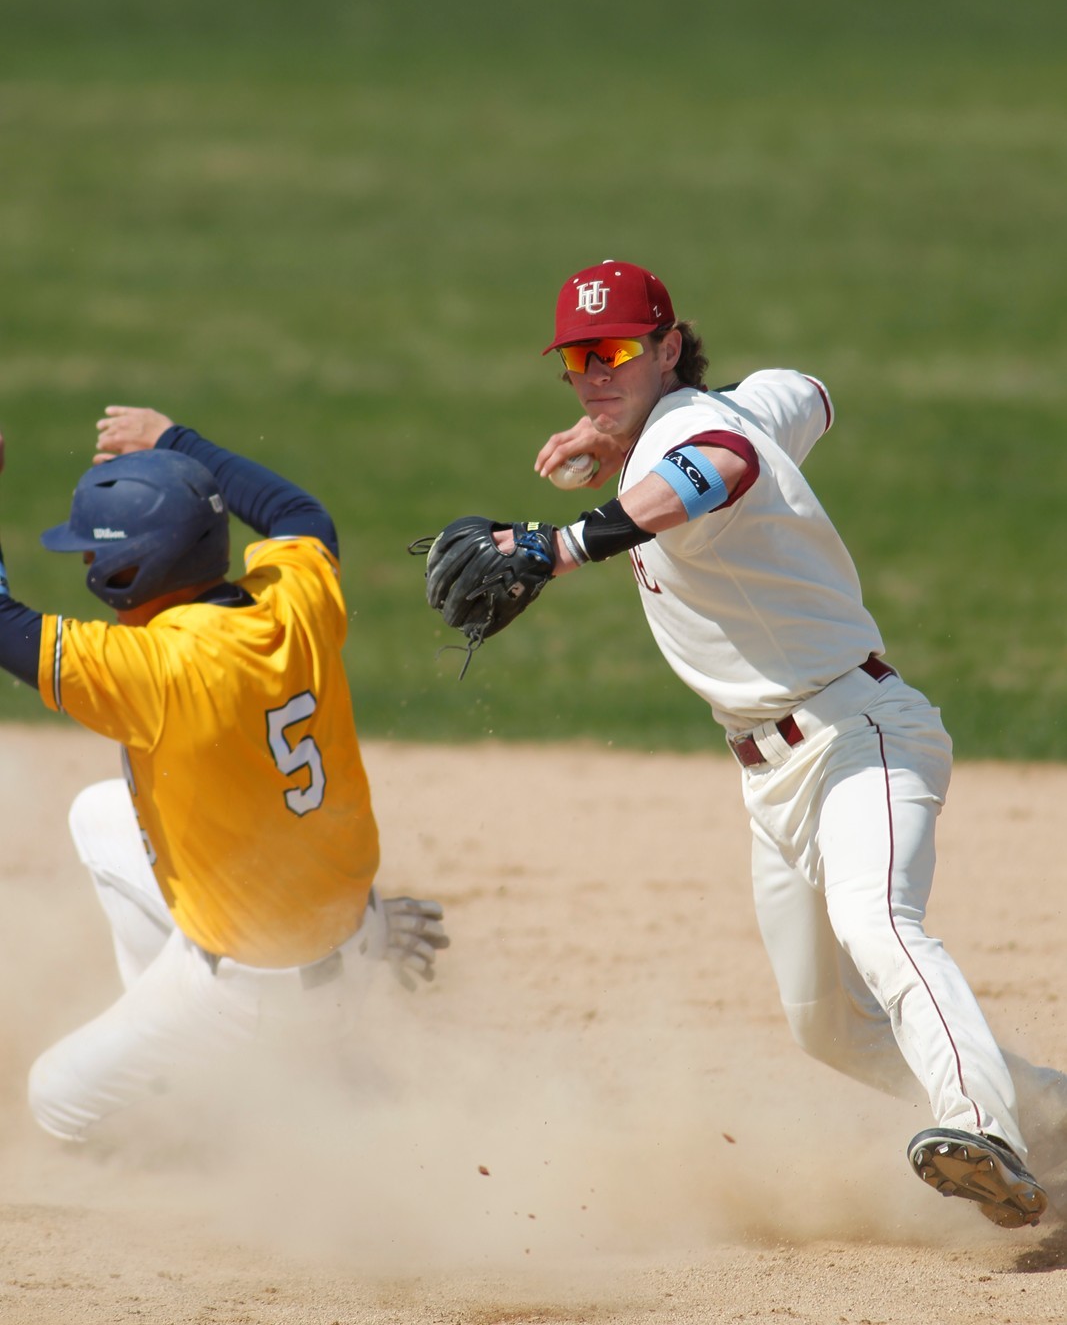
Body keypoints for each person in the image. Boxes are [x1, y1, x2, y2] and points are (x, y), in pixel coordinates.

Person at [439, 260, 1067, 1229]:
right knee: (825, 1026)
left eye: (613, 352)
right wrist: (621, 437)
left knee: (878, 923)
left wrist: (551, 545)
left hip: (860, 737)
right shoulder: (725, 410)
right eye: (576, 359)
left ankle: (983, 1129)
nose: (593, 372)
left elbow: (720, 464)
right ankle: (1050, 1115)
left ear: (666, 345)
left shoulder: (698, 436)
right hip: (773, 779)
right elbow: (808, 395)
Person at [0, 407, 448, 1143]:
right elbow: (299, 513)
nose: (84, 567)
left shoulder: (150, 669)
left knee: (56, 1102)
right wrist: (177, 442)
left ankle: (250, 1109)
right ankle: (342, 966)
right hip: (341, 921)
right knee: (100, 813)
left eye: (90, 555)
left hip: (256, 990)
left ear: (125, 570)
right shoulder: (292, 600)